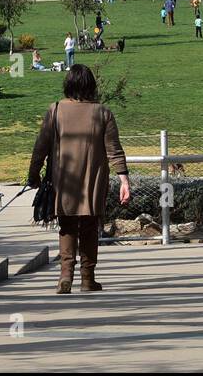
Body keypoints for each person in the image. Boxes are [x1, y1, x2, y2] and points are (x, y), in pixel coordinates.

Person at [27, 64, 131, 293]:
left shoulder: (55, 110)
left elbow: (40, 147)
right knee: (90, 227)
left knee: (67, 226)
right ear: (91, 86)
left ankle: (66, 276)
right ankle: (87, 278)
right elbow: (114, 150)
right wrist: (124, 180)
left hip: (64, 180)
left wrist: (33, 175)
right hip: (93, 180)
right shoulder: (103, 113)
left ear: (68, 84)